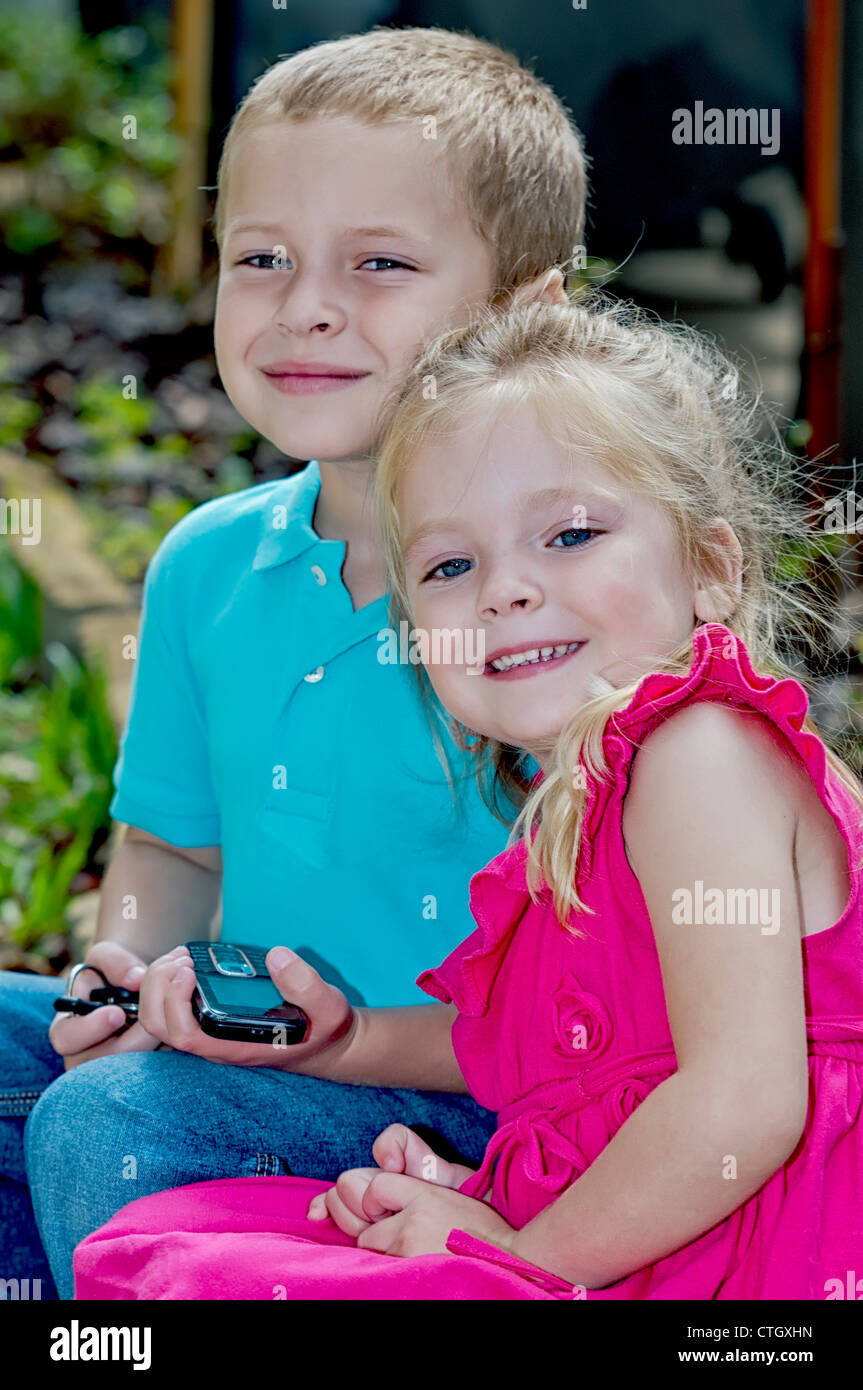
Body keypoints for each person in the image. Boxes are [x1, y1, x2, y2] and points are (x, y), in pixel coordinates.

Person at [74, 296, 863, 1299]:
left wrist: (512, 1260)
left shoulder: (699, 754)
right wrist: (350, 1041)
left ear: (709, 566)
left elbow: (742, 1099)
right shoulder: (580, 791)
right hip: (628, 1238)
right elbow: (540, 1051)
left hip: (754, 1275)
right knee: (173, 1243)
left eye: (569, 534)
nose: (504, 589)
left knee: (187, 1264)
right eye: (450, 564)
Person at [0, 27, 588, 1299]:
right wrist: (125, 973)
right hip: (251, 1058)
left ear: (524, 312)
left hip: (482, 1121)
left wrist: (335, 1050)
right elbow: (174, 850)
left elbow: (610, 1006)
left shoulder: (559, 598)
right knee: (42, 1059)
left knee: (111, 1125)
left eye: (379, 263)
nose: (303, 305)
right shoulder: (207, 566)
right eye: (260, 259)